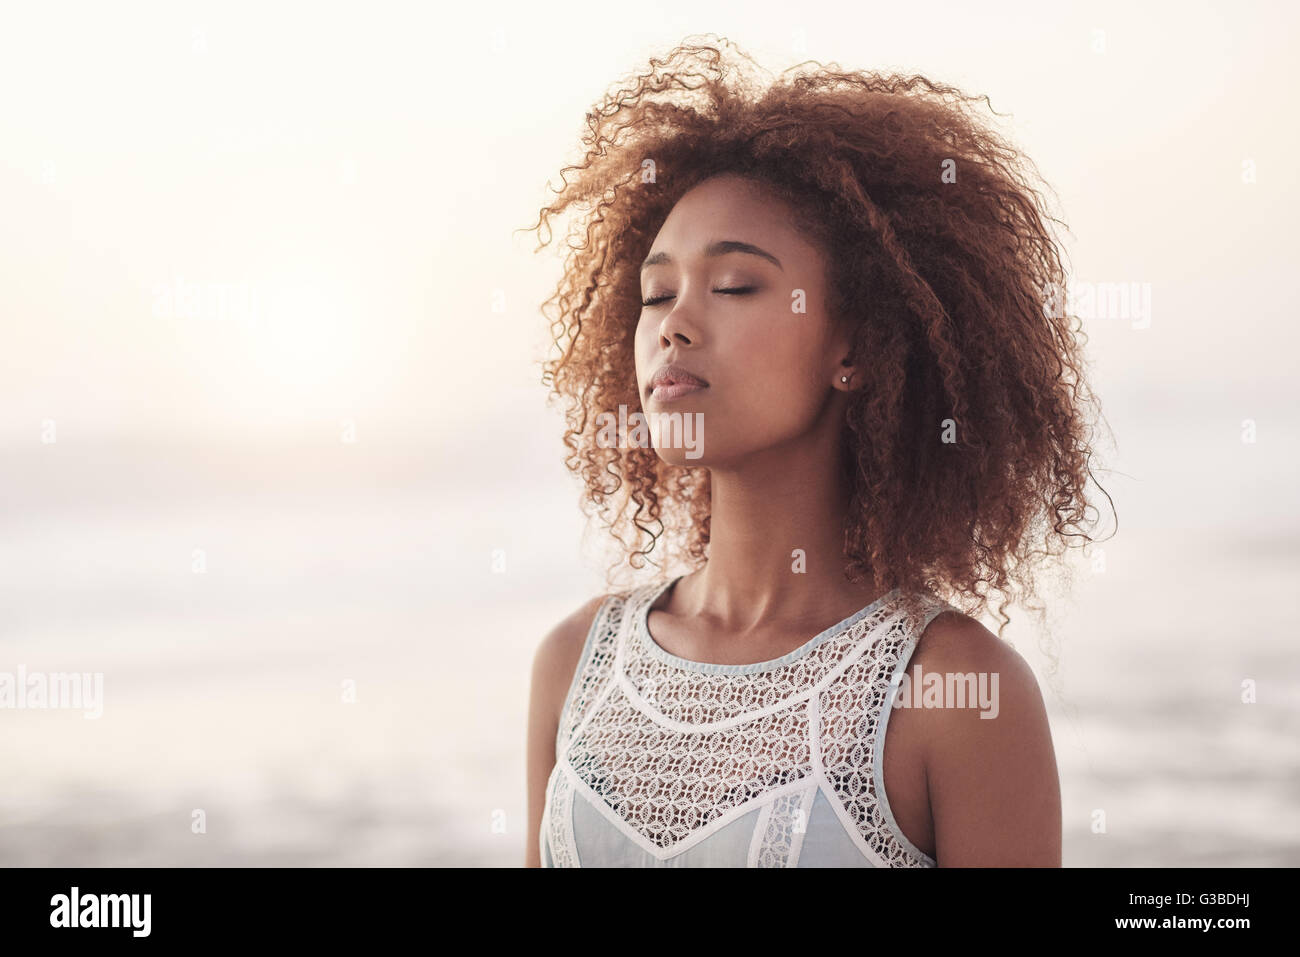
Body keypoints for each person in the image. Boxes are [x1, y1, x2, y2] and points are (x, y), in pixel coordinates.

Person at [523, 36, 1109, 867]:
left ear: (859, 347)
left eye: (733, 286)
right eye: (656, 293)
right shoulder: (573, 666)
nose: (674, 325)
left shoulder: (953, 693)